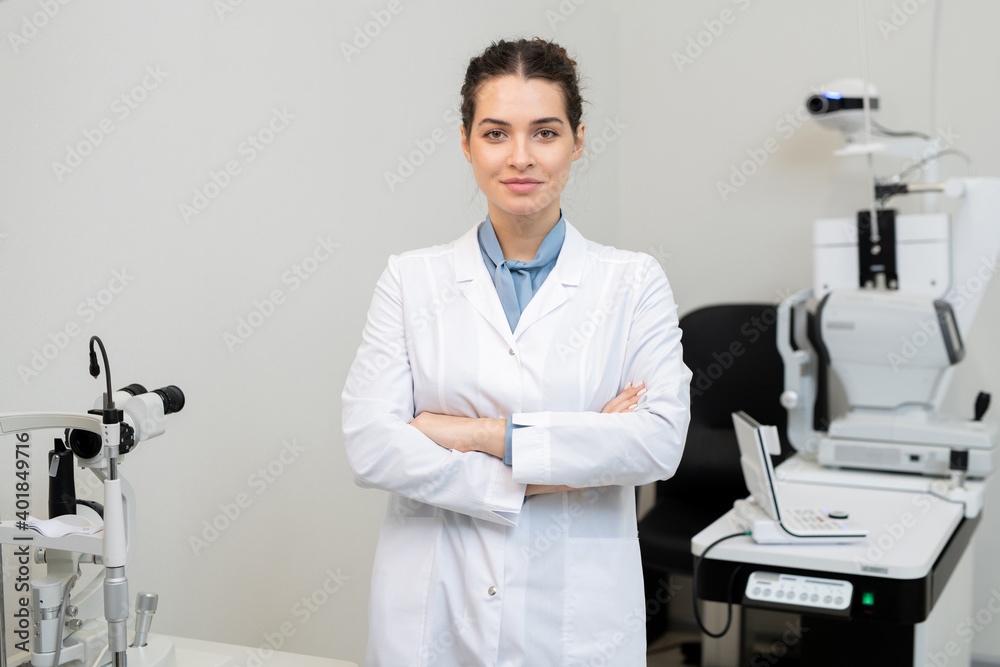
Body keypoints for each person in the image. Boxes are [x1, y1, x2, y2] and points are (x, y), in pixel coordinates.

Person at [342, 37, 691, 666]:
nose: (520, 157)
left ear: (577, 141)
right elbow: (372, 445)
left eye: (545, 133)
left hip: (575, 618)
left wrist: (474, 433)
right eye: (496, 133)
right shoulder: (410, 279)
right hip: (433, 606)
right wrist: (552, 468)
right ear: (466, 142)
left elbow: (658, 442)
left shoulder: (633, 282)